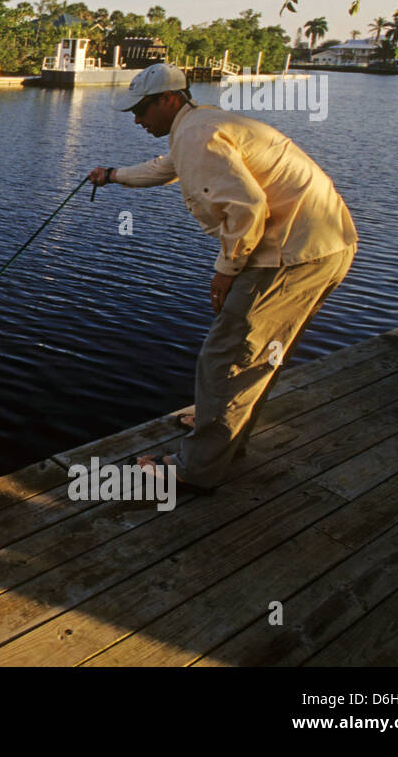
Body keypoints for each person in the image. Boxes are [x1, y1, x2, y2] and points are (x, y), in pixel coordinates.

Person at [88, 63, 357, 492]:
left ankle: (196, 467)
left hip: (290, 254)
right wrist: (113, 175)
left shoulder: (197, 134)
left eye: (141, 110)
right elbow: (165, 167)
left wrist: (226, 270)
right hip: (322, 244)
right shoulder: (199, 123)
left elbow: (247, 208)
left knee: (226, 359)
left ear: (169, 99)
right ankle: (223, 429)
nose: (137, 120)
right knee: (259, 354)